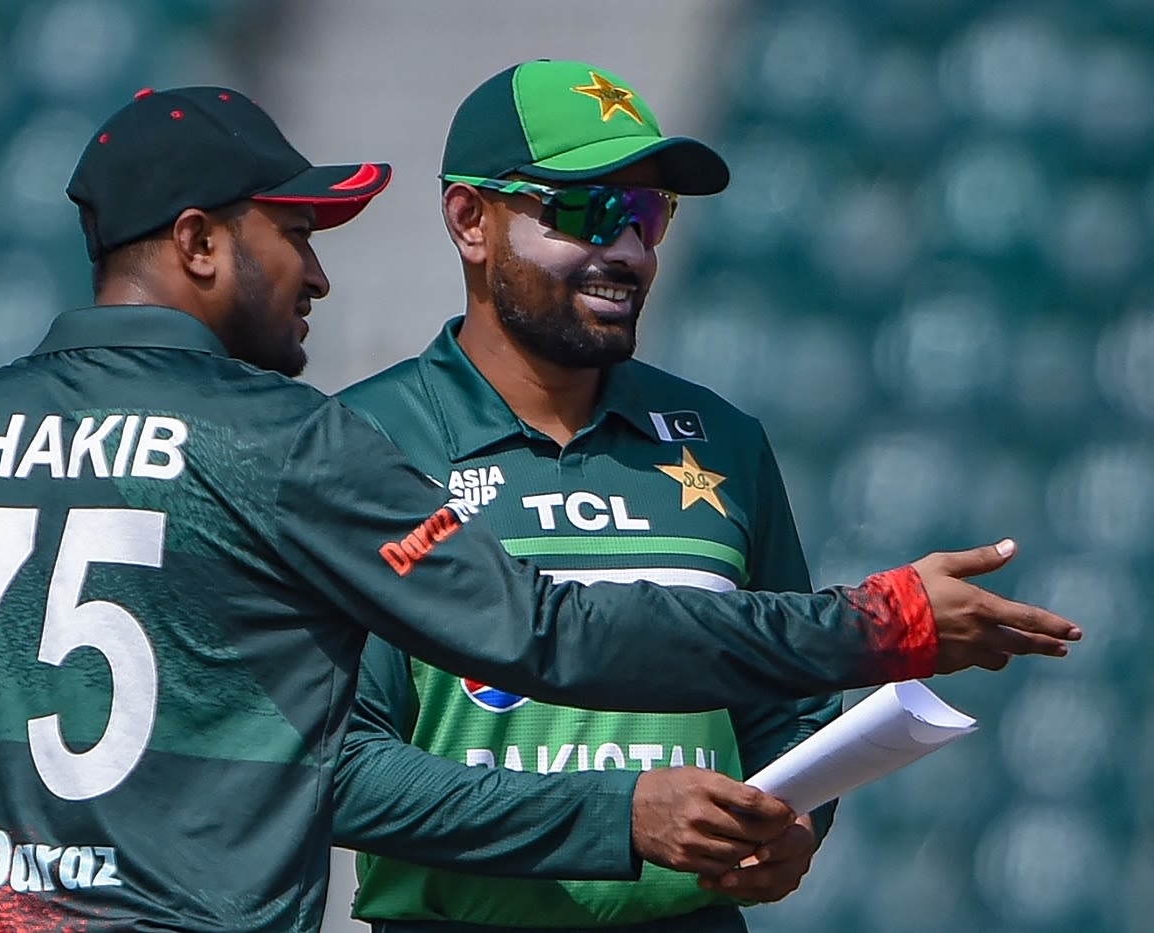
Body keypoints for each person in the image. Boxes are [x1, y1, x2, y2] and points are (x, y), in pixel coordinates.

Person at [0, 86, 1079, 933]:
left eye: (650, 214)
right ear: (197, 246)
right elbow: (540, 638)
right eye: (296, 231)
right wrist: (880, 620)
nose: (321, 273)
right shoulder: (289, 443)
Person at [329, 59, 869, 932]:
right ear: (471, 219)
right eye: (589, 210)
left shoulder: (725, 441)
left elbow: (792, 696)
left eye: (650, 214)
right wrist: (617, 817)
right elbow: (339, 765)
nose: (629, 250)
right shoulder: (359, 445)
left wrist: (797, 819)